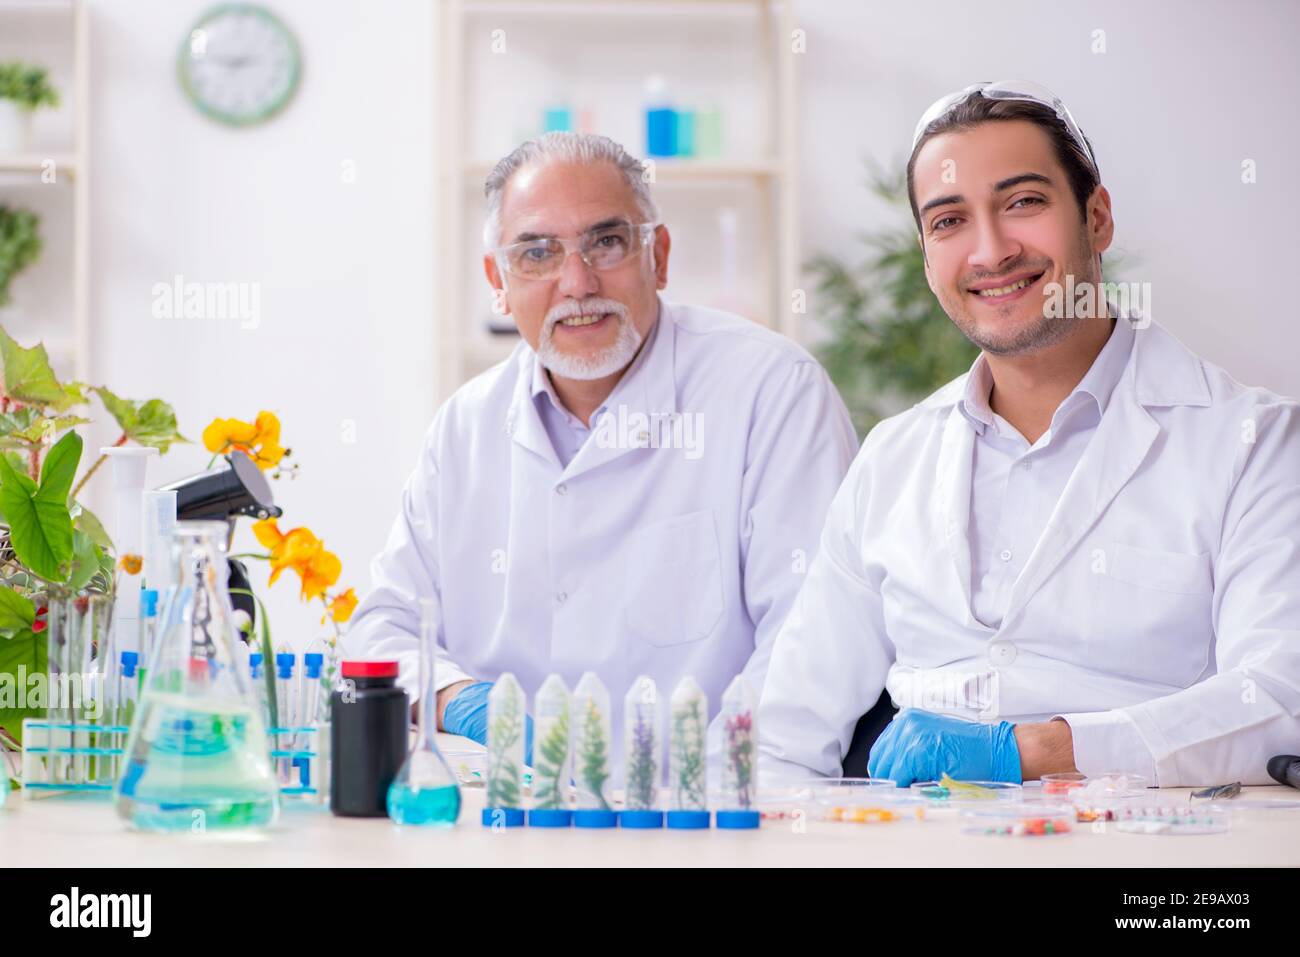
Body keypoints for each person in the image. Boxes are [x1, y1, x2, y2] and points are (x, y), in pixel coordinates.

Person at [758, 82, 1300, 787]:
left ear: (1097, 217)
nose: (990, 251)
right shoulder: (893, 458)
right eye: (950, 220)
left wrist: (1030, 750)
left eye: (1022, 202)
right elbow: (784, 739)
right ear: (926, 257)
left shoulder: (1252, 441)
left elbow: (1281, 699)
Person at [348, 132, 857, 765]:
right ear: (498, 283)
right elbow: (382, 630)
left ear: (659, 256)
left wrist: (694, 805)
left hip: (708, 822)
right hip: (508, 815)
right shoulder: (466, 428)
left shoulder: (770, 391)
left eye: (606, 242)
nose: (577, 282)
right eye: (536, 253)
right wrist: (458, 698)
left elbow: (811, 651)